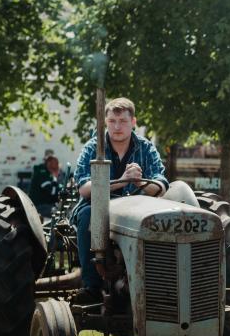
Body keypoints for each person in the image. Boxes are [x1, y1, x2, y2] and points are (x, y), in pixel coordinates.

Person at [72, 97, 168, 299]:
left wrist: (140, 182)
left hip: (137, 211)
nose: (117, 127)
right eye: (112, 121)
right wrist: (122, 181)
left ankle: (157, 284)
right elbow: (84, 188)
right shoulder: (92, 147)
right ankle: (92, 287)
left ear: (133, 122)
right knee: (88, 214)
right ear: (105, 122)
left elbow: (160, 186)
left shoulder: (145, 147)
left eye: (123, 121)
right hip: (99, 208)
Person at [30, 151, 64, 216]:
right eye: (50, 161)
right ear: (46, 161)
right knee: (59, 213)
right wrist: (55, 177)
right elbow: (52, 192)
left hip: (47, 204)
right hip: (39, 206)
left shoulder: (48, 173)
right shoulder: (41, 172)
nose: (53, 164)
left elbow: (58, 187)